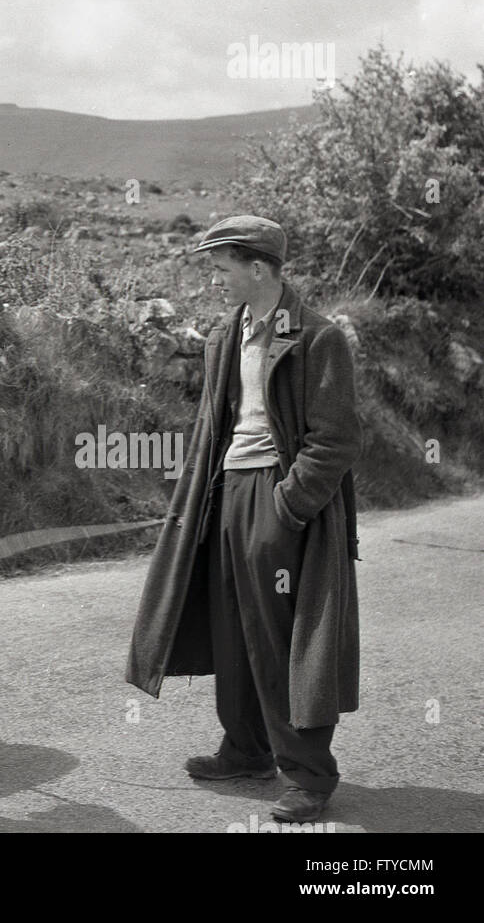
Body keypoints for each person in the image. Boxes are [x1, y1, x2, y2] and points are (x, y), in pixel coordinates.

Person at [126, 215, 361, 824]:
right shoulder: (226, 334)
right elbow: (217, 425)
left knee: (282, 638)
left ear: (258, 268)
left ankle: (309, 777)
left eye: (223, 267)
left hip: (275, 497)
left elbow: (335, 440)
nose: (215, 279)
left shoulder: (317, 337)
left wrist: (287, 506)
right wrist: (195, 496)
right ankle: (247, 750)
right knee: (233, 629)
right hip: (227, 491)